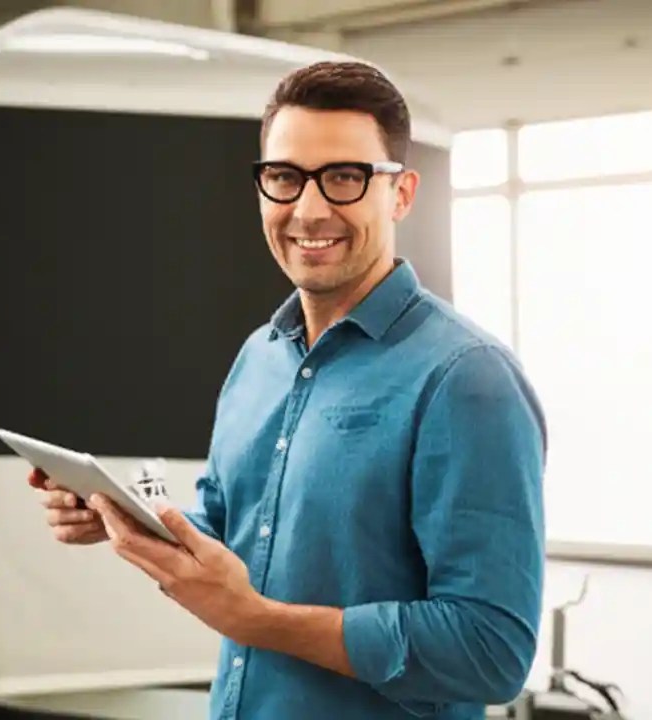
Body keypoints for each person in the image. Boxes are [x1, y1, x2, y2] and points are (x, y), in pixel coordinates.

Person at [28, 60, 547, 720]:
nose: (308, 209)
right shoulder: (259, 357)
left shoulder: (468, 378)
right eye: (284, 177)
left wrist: (258, 621)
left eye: (345, 177)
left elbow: (490, 651)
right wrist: (123, 517)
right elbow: (232, 526)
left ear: (401, 194)